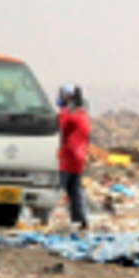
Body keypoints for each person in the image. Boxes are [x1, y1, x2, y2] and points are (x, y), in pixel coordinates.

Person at [58, 85, 91, 231]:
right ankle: (80, 219)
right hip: (79, 159)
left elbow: (58, 128)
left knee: (54, 188)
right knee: (75, 191)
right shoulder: (84, 115)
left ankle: (42, 217)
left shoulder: (69, 115)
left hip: (67, 157)